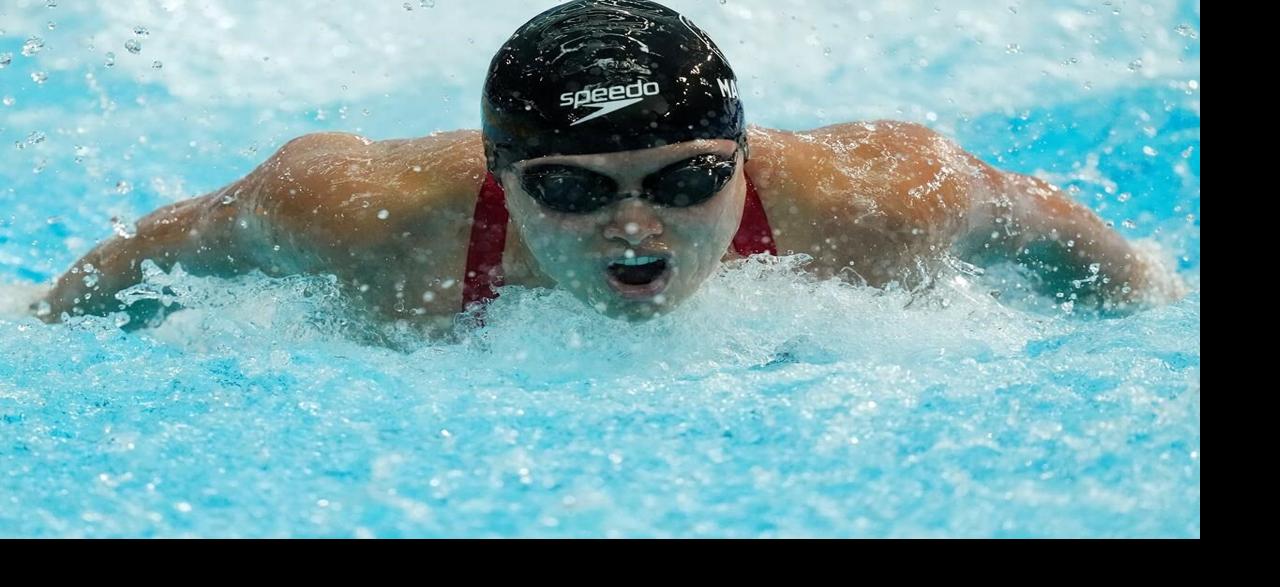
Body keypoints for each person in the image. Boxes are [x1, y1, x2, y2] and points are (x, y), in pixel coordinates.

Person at [36, 0, 1173, 329]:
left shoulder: (880, 200)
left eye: (683, 181)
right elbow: (161, 250)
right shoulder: (359, 216)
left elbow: (1060, 234)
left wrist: (1163, 307)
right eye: (575, 191)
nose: (636, 228)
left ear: (737, 160)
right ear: (502, 180)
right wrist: (36, 324)